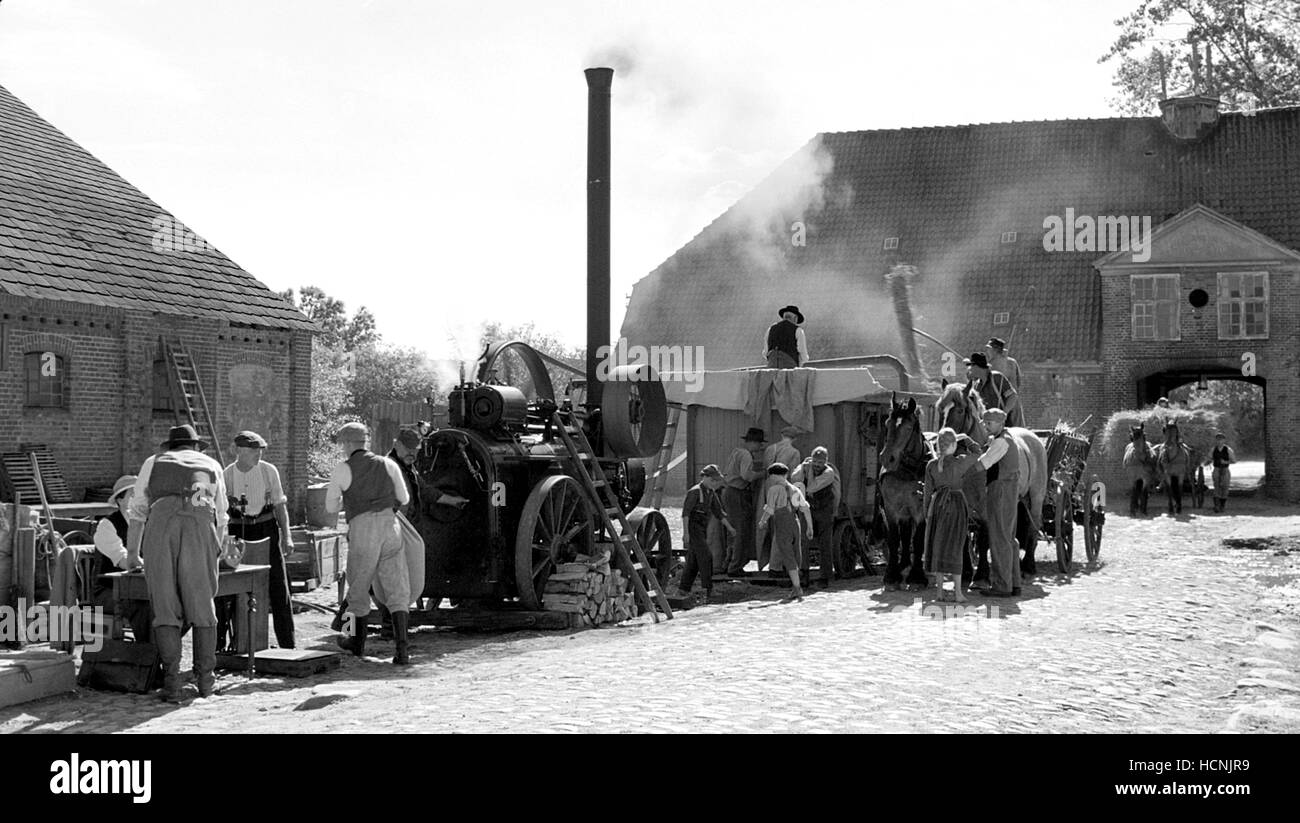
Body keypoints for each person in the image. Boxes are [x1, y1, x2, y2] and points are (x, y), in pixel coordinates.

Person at [125, 424, 230, 702]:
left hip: (161, 524)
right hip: (200, 523)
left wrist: (133, 553)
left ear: (170, 447)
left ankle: (172, 684)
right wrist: (215, 549)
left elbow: (137, 511)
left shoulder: (153, 462)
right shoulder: (211, 464)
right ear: (196, 447)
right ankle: (206, 682)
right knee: (203, 606)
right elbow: (222, 514)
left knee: (165, 604)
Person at [326, 422, 413, 665]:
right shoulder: (388, 463)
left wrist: (352, 499)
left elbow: (330, 507)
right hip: (391, 525)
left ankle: (356, 644)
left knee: (358, 588)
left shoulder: (343, 469)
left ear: (347, 444)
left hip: (364, 529)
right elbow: (403, 498)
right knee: (398, 588)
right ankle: (402, 651)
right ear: (365, 442)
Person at [220, 431, 295, 650]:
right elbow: (222, 512)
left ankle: (287, 645)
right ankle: (225, 644)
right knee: (229, 584)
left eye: (260, 450)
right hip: (236, 530)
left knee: (278, 586)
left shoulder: (268, 471)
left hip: (266, 528)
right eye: (253, 450)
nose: (258, 454)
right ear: (239, 451)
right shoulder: (227, 474)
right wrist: (224, 544)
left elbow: (280, 505)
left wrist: (287, 536)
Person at [922, 429, 984, 602]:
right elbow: (978, 453)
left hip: (937, 506)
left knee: (939, 546)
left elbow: (927, 493)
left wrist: (927, 513)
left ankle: (940, 593)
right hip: (956, 504)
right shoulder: (960, 462)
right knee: (956, 547)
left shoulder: (931, 465)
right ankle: (957, 593)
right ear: (954, 445)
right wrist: (967, 438)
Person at [89, 474, 151, 640]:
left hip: (139, 588)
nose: (139, 500)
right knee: (145, 606)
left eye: (141, 496)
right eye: (133, 496)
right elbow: (126, 561)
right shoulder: (107, 526)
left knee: (174, 603)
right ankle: (146, 651)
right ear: (120, 500)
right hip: (109, 592)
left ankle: (156, 651)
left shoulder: (145, 525)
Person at [974, 408, 1022, 598]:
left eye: (989, 423)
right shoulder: (1004, 437)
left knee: (999, 537)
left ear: (1001, 423)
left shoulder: (1001, 442)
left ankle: (1002, 586)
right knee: (1009, 538)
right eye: (985, 423)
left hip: (1000, 491)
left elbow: (983, 463)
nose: (986, 426)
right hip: (1007, 490)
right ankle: (1014, 583)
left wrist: (962, 471)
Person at [756, 463, 813, 602]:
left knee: (787, 555)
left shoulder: (774, 489)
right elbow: (805, 508)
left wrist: (762, 522)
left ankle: (797, 587)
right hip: (795, 522)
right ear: (786, 474)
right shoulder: (795, 489)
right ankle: (796, 586)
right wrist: (810, 527)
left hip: (782, 524)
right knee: (795, 553)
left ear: (773, 475)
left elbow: (769, 509)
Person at [678, 465, 735, 604]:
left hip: (702, 528)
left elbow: (719, 513)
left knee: (693, 561)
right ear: (705, 478)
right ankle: (707, 590)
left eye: (716, 481)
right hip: (693, 528)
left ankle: (683, 589)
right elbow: (685, 514)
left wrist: (730, 528)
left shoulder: (711, 493)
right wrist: (686, 534)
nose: (715, 483)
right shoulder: (695, 492)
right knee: (706, 557)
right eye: (712, 480)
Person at [791, 446, 841, 586]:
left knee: (825, 542)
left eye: (820, 462)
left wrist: (809, 473)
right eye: (815, 461)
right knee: (804, 541)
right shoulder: (806, 466)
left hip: (824, 509)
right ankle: (804, 573)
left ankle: (825, 576)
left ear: (825, 461)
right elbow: (795, 479)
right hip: (808, 508)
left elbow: (811, 487)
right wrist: (803, 468)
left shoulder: (829, 473)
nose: (817, 465)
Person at [721, 427, 767, 575]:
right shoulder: (746, 455)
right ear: (754, 443)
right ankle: (735, 567)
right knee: (742, 530)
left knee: (733, 531)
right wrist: (763, 474)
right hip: (738, 493)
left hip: (729, 492)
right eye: (760, 444)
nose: (761, 448)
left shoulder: (736, 452)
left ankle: (728, 563)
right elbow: (747, 476)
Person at [759, 426, 802, 569]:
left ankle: (764, 559)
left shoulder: (770, 449)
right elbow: (793, 475)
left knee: (767, 524)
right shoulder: (794, 452)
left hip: (766, 487)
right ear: (794, 438)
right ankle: (777, 564)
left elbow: (766, 468)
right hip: (782, 489)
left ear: (782, 435)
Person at [965, 352, 1022, 428]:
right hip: (990, 427)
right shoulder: (976, 386)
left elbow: (1012, 396)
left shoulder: (996, 377)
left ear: (976, 366)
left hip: (1008, 423)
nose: (970, 369)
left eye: (971, 366)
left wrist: (1004, 413)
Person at [1210, 432, 1236, 513]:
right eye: (1217, 440)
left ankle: (1222, 505)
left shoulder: (1228, 450)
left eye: (1221, 440)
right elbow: (1209, 458)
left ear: (1224, 440)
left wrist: (1226, 462)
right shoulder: (1213, 449)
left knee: (1225, 487)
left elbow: (1234, 461)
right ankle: (1216, 506)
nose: (1219, 441)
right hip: (1216, 468)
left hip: (1225, 469)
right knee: (1216, 486)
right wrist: (1205, 462)